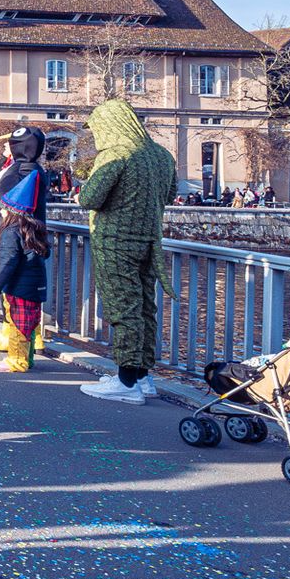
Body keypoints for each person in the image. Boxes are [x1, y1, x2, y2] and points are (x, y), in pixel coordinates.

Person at [75, 99, 174, 404]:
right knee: (145, 308)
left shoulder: (116, 154)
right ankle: (143, 377)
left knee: (124, 310)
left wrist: (84, 186)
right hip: (150, 242)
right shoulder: (161, 155)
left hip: (116, 244)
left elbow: (90, 198)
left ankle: (125, 382)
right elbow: (169, 194)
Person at [0, 170, 49, 373]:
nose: (2, 213)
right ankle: (27, 359)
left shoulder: (9, 232)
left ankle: (16, 361)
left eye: (4, 209)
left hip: (18, 287)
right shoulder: (33, 230)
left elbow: (8, 261)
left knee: (17, 325)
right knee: (30, 325)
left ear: (10, 211)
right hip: (35, 286)